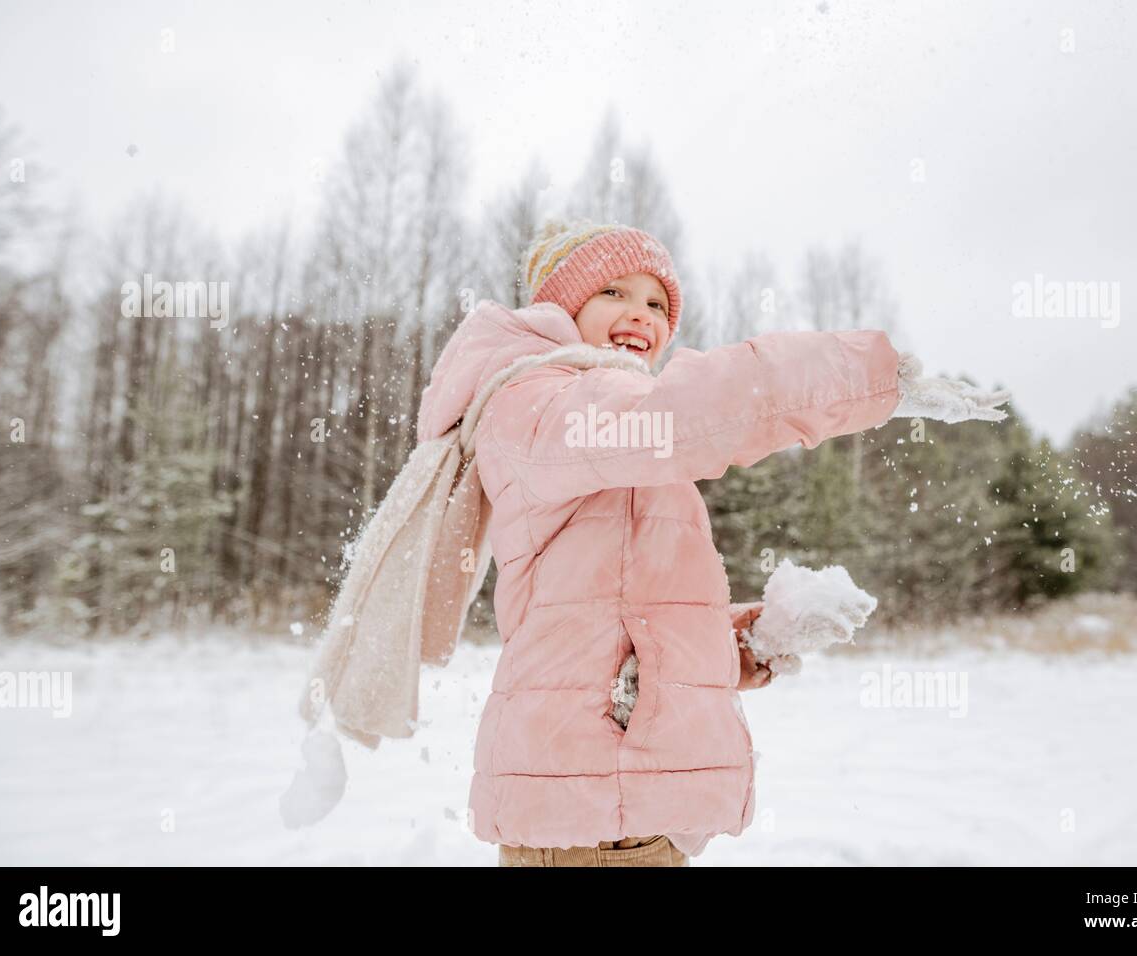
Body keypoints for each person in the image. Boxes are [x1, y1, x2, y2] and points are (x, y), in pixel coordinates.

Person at [411, 218, 1009, 867]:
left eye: (658, 302)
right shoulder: (539, 405)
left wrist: (750, 640)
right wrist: (861, 380)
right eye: (613, 292)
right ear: (559, 304)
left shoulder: (614, 438)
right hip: (590, 817)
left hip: (629, 812)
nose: (641, 314)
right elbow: (694, 411)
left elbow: (616, 617)